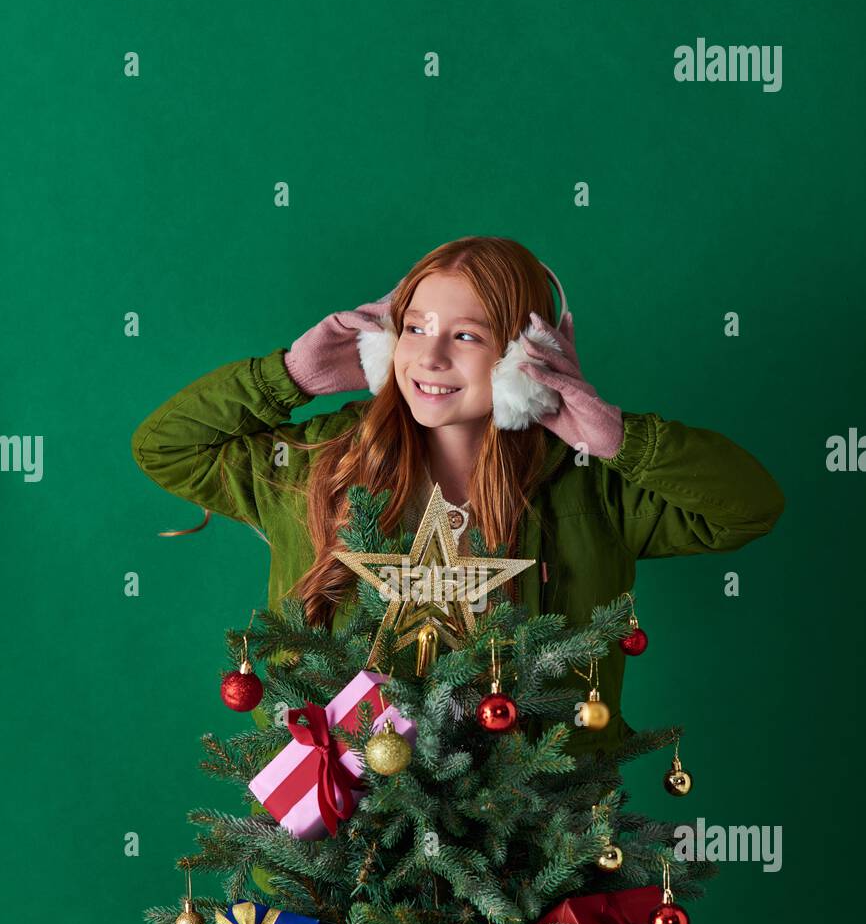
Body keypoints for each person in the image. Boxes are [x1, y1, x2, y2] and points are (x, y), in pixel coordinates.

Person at [132, 235, 784, 757]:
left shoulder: (591, 484)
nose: (431, 356)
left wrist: (618, 439)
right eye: (414, 328)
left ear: (526, 356)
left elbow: (747, 506)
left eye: (467, 336)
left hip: (536, 862)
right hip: (335, 848)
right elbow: (165, 447)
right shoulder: (320, 463)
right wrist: (290, 377)